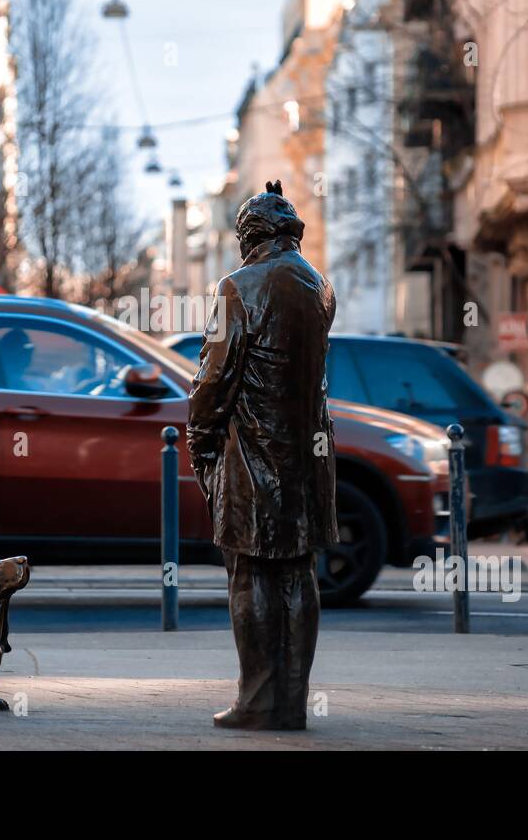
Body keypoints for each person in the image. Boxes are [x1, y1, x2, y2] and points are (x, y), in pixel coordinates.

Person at [188, 180, 337, 731]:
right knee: (298, 572)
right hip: (309, 456)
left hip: (252, 453)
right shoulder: (321, 288)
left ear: (250, 236)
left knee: (250, 573)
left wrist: (199, 443)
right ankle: (292, 703)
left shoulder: (237, 287)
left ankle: (257, 699)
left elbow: (213, 378)